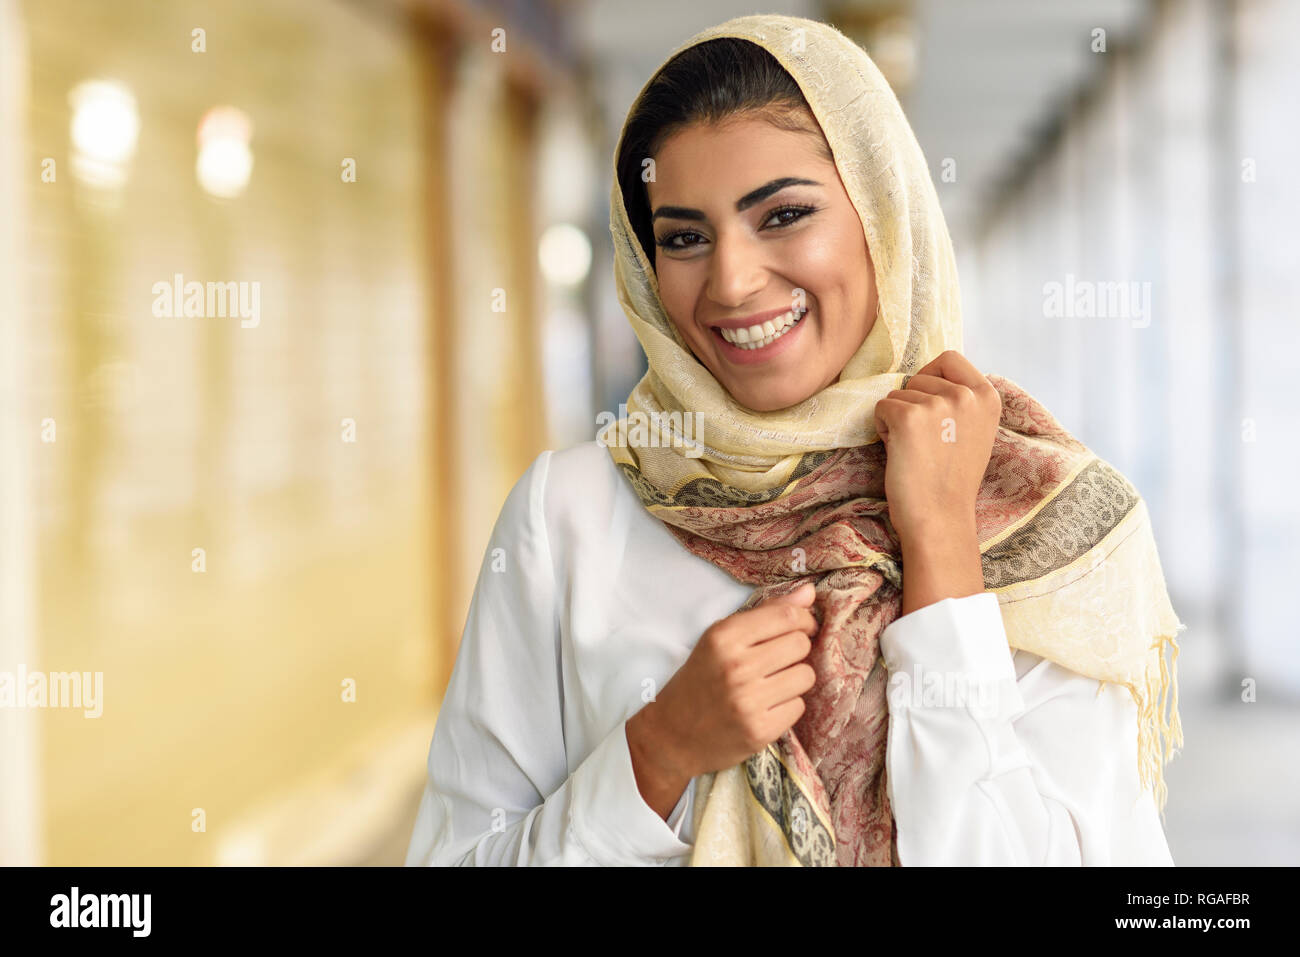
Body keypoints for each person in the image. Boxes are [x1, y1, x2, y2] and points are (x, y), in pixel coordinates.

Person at [404, 13, 1185, 867]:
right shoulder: (570, 516)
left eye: (782, 215)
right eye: (685, 237)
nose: (732, 281)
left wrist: (942, 550)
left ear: (882, 218)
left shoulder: (1033, 512)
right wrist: (656, 754)